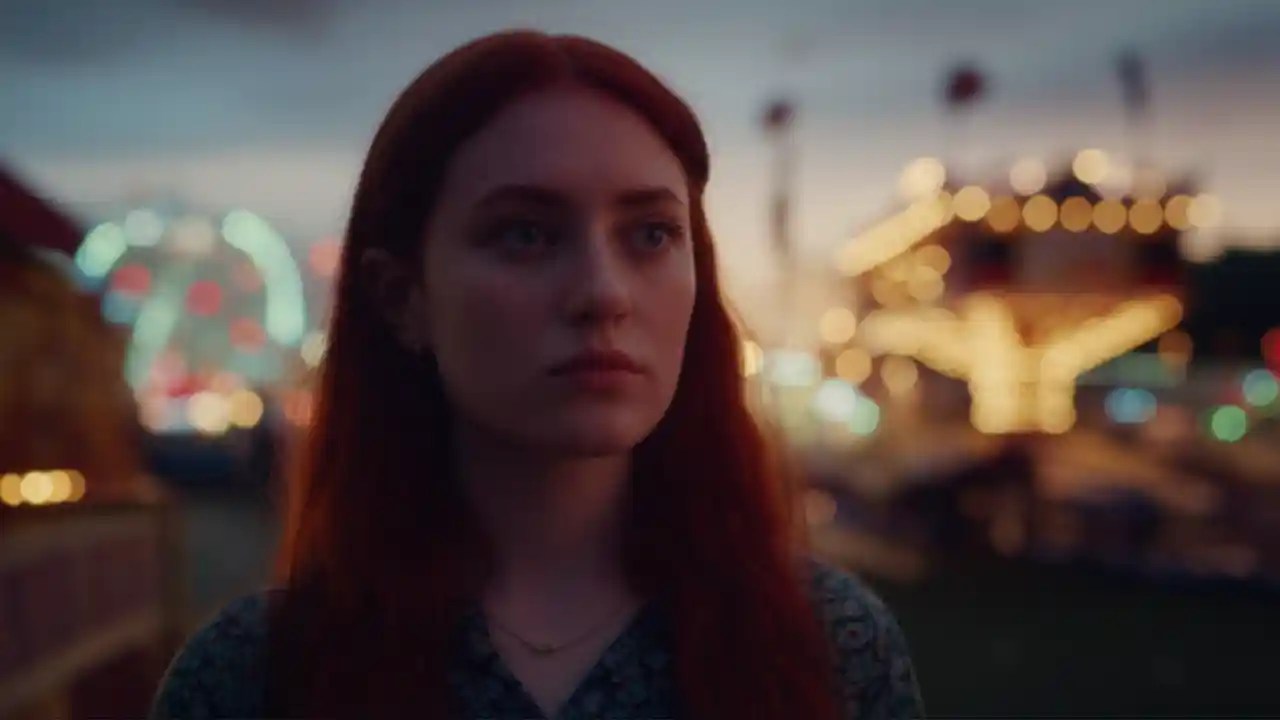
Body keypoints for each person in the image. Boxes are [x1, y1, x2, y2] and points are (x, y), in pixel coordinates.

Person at [149, 29, 924, 720]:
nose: (603, 293)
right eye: (525, 234)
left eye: (651, 233)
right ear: (402, 298)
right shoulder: (251, 681)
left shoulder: (830, 647)